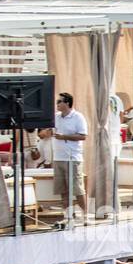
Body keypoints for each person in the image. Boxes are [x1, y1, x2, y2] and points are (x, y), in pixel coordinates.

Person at [53, 92, 89, 221]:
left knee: (78, 189)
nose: (57, 104)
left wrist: (64, 137)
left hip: (72, 157)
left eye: (59, 101)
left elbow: (83, 136)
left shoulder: (78, 117)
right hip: (58, 157)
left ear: (67, 103)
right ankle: (68, 215)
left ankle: (85, 215)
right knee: (63, 190)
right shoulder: (56, 117)